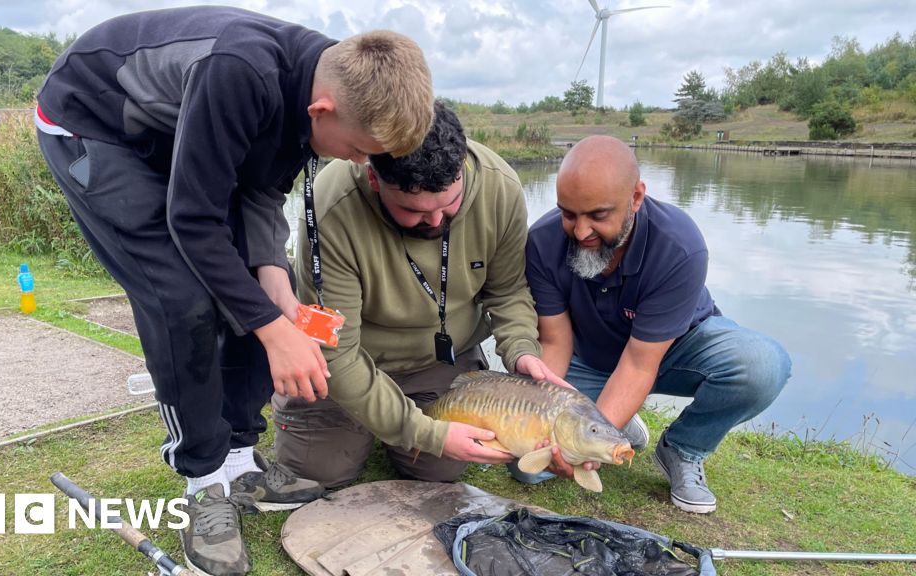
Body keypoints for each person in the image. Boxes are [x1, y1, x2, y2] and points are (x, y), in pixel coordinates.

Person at [34, 7, 434, 575]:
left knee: (257, 290)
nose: (362, 162)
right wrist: (274, 333)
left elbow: (261, 196)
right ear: (323, 110)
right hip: (94, 123)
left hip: (173, 129)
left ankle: (242, 461)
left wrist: (275, 289)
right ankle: (201, 481)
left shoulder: (331, 83)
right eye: (361, 148)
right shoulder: (241, 71)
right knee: (181, 300)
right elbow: (192, 220)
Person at [273, 102, 567, 488]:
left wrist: (522, 349)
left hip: (438, 364)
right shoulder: (328, 206)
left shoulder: (502, 187)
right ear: (375, 180)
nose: (435, 221)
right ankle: (346, 418)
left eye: (449, 205)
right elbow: (336, 349)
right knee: (318, 474)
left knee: (439, 472)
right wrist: (429, 433)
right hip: (351, 361)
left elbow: (508, 290)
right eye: (413, 210)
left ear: (461, 167)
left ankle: (393, 421)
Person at [524, 135, 791, 514]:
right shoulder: (541, 241)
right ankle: (621, 423)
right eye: (568, 213)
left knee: (763, 366)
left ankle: (682, 448)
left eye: (598, 215)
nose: (581, 231)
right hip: (592, 358)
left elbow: (638, 364)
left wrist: (588, 445)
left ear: (636, 198)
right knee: (528, 468)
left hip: (675, 351)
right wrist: (543, 428)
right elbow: (554, 343)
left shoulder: (679, 245)